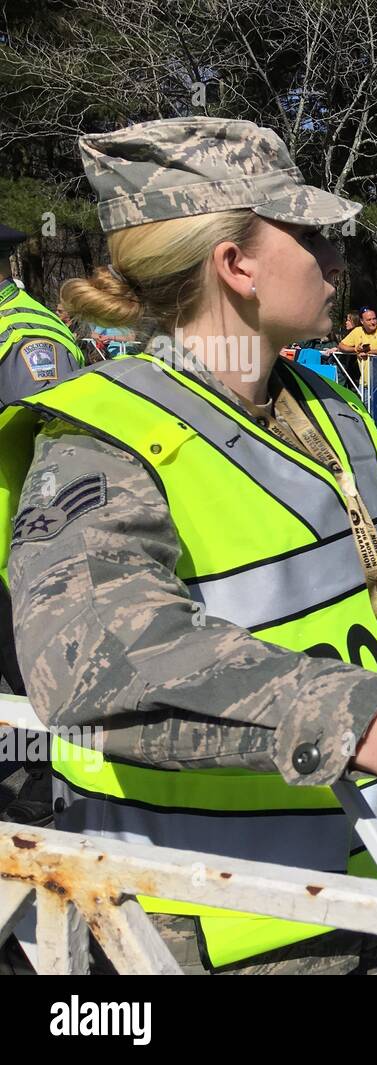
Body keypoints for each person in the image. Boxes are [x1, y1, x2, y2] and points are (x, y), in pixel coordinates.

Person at [1, 117, 377, 975]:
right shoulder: (104, 438)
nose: (334, 255)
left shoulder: (324, 404)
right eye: (306, 233)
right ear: (235, 265)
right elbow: (87, 653)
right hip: (226, 932)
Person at [0, 223, 86, 827]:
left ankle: (46, 788)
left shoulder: (28, 337)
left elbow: (61, 440)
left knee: (35, 686)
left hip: (13, 557)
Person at [339, 304, 377, 392]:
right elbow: (341, 346)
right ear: (362, 321)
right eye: (369, 320)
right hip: (364, 384)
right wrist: (356, 350)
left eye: (374, 319)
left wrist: (367, 352)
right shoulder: (357, 331)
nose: (373, 322)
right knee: (364, 406)